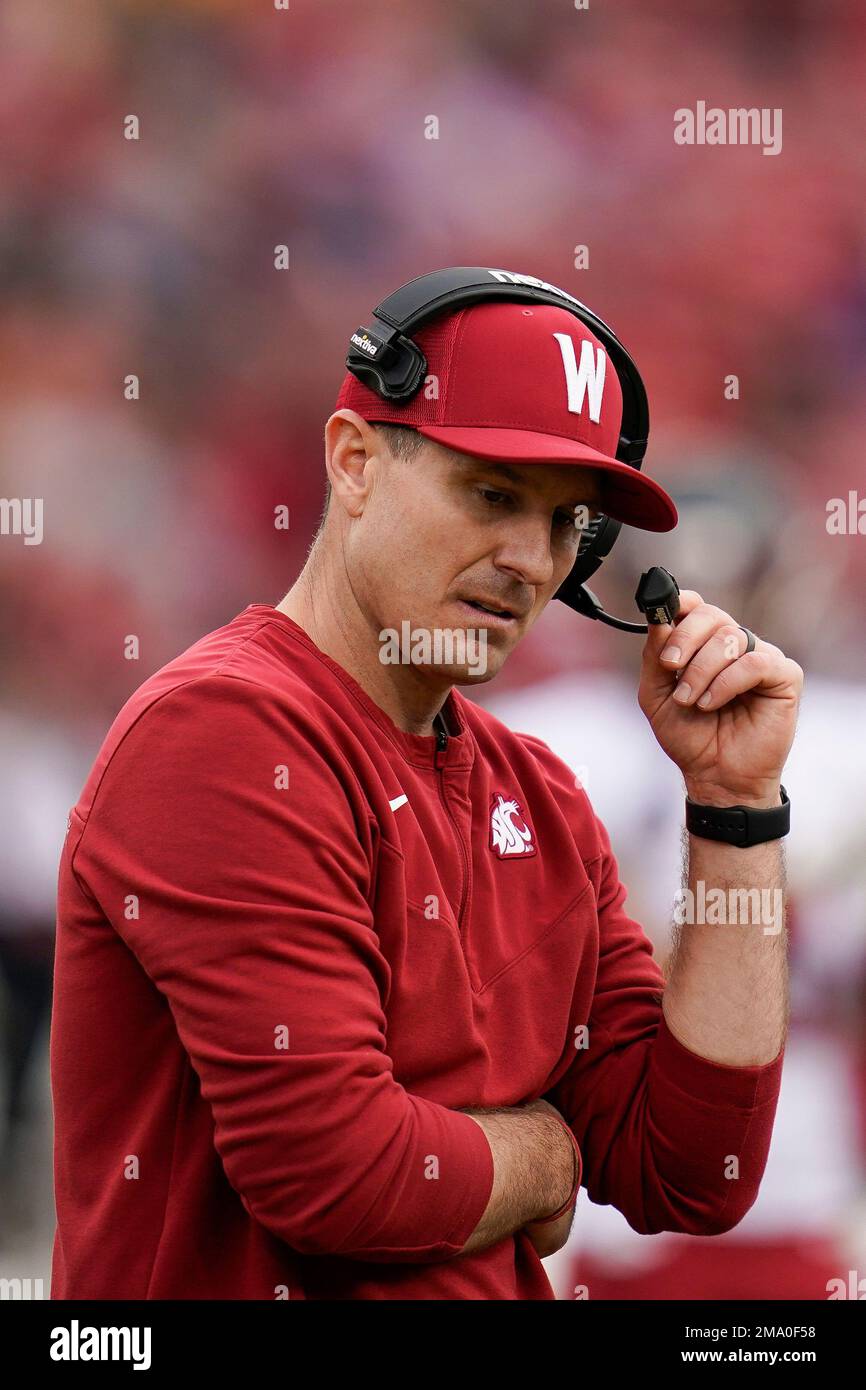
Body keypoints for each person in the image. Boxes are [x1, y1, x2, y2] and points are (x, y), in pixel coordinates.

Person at [50, 289, 802, 1300]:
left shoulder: (536, 791)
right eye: (491, 495)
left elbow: (692, 1171)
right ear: (355, 460)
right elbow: (336, 1173)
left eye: (563, 522)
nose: (528, 562)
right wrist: (542, 1156)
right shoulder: (223, 732)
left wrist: (732, 806)